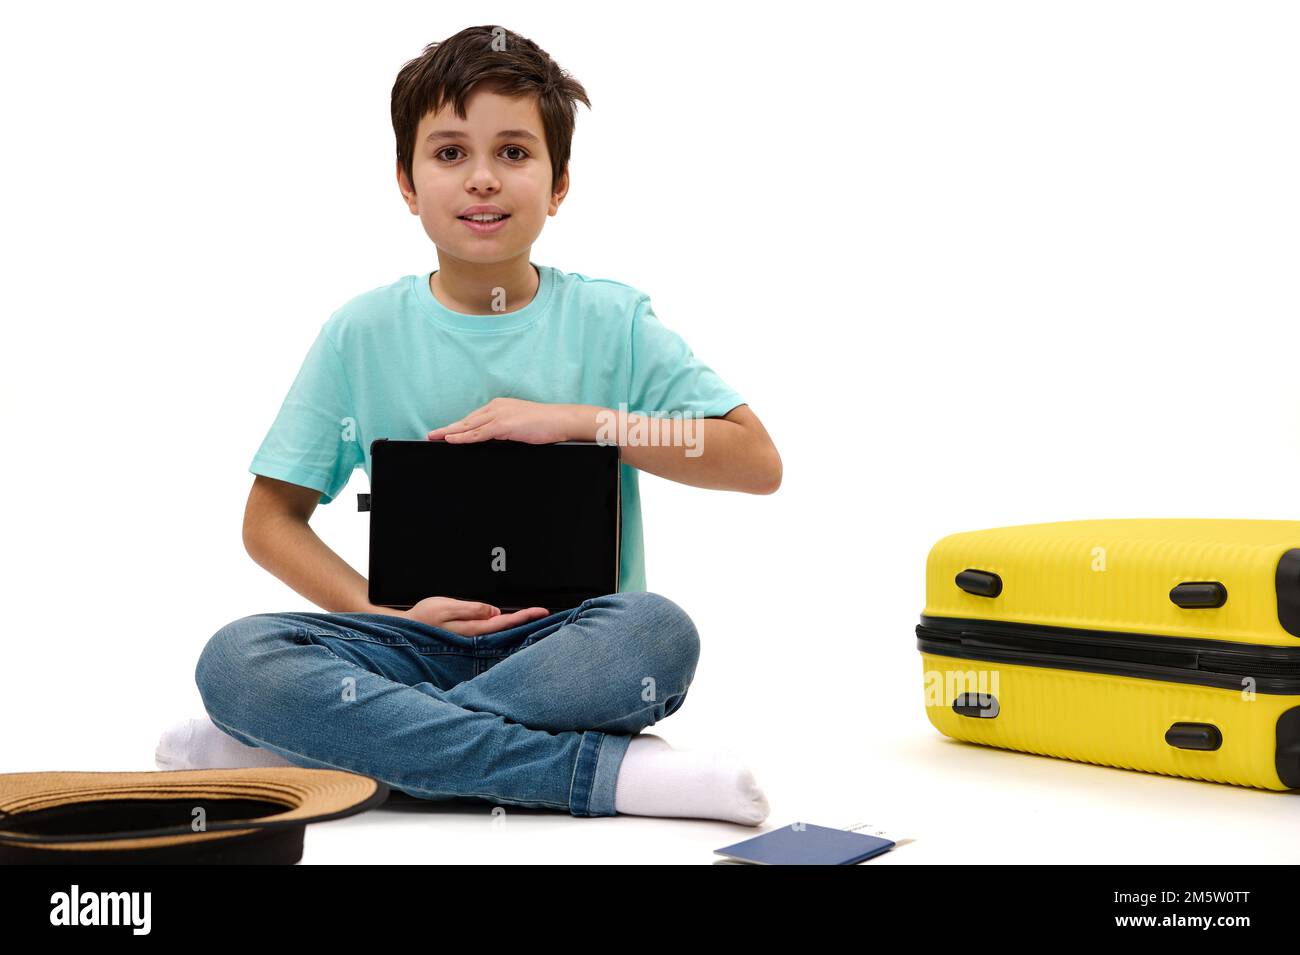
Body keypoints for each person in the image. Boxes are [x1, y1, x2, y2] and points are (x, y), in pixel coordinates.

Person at [161, 25, 782, 826]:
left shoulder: (613, 320)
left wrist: (580, 422)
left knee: (658, 632)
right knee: (236, 659)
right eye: (450, 153)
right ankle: (603, 773)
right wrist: (375, 611)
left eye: (514, 153)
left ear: (559, 184)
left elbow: (753, 458)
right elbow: (269, 518)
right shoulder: (362, 332)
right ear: (407, 182)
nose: (482, 179)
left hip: (570, 648)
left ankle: (324, 748)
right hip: (404, 643)